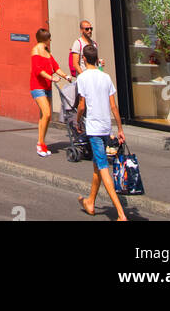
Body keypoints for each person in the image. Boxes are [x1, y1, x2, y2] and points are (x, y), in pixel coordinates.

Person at [75, 44, 127, 221]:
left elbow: (82, 105)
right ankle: (90, 201)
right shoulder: (106, 77)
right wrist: (119, 129)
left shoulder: (82, 78)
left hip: (94, 128)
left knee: (103, 167)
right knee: (97, 166)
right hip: (106, 127)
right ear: (97, 59)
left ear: (83, 59)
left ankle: (120, 213)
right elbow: (114, 106)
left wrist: (77, 120)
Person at [30, 27, 67, 156]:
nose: (50, 40)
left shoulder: (47, 51)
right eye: (49, 38)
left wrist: (65, 76)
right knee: (46, 114)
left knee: (43, 117)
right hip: (37, 86)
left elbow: (55, 67)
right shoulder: (35, 50)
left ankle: (41, 143)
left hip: (47, 87)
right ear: (44, 39)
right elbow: (37, 70)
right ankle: (40, 144)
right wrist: (51, 78)